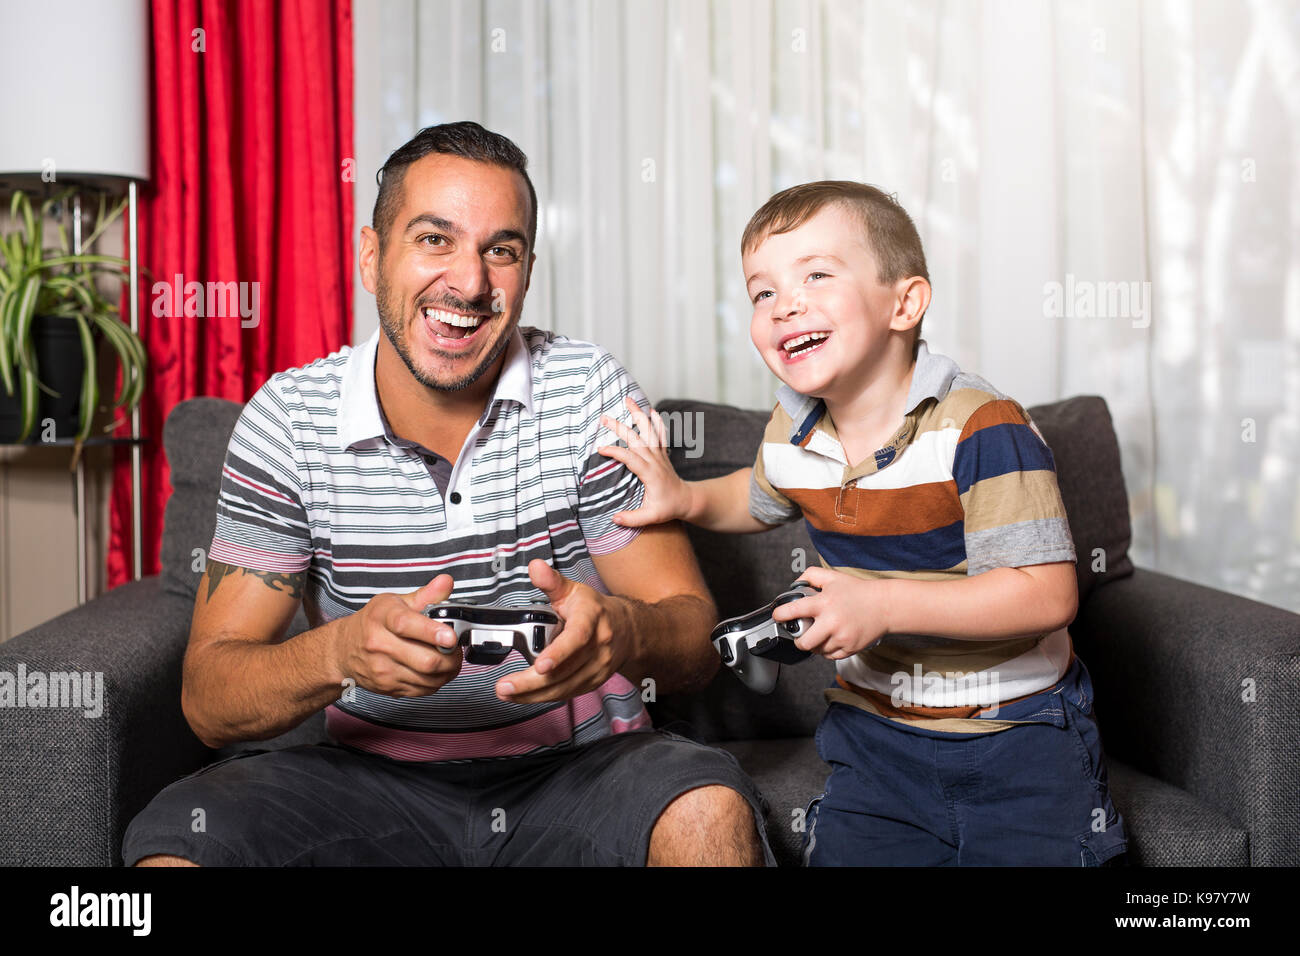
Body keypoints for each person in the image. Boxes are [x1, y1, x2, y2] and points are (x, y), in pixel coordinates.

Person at [122, 121, 773, 867]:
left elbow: (691, 636)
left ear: (527, 270)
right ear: (371, 258)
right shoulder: (289, 421)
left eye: (502, 249)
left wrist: (623, 633)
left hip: (584, 771)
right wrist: (339, 651)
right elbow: (209, 702)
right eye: (435, 239)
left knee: (705, 813)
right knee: (183, 840)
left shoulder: (589, 393)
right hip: (368, 782)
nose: (469, 283)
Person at [599, 180, 1129, 866]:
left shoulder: (978, 425)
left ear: (904, 303)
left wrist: (882, 603)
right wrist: (685, 498)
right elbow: (759, 496)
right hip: (875, 738)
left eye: (816, 275)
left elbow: (1046, 593)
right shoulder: (794, 430)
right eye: (763, 292)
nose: (785, 303)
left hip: (1017, 736)